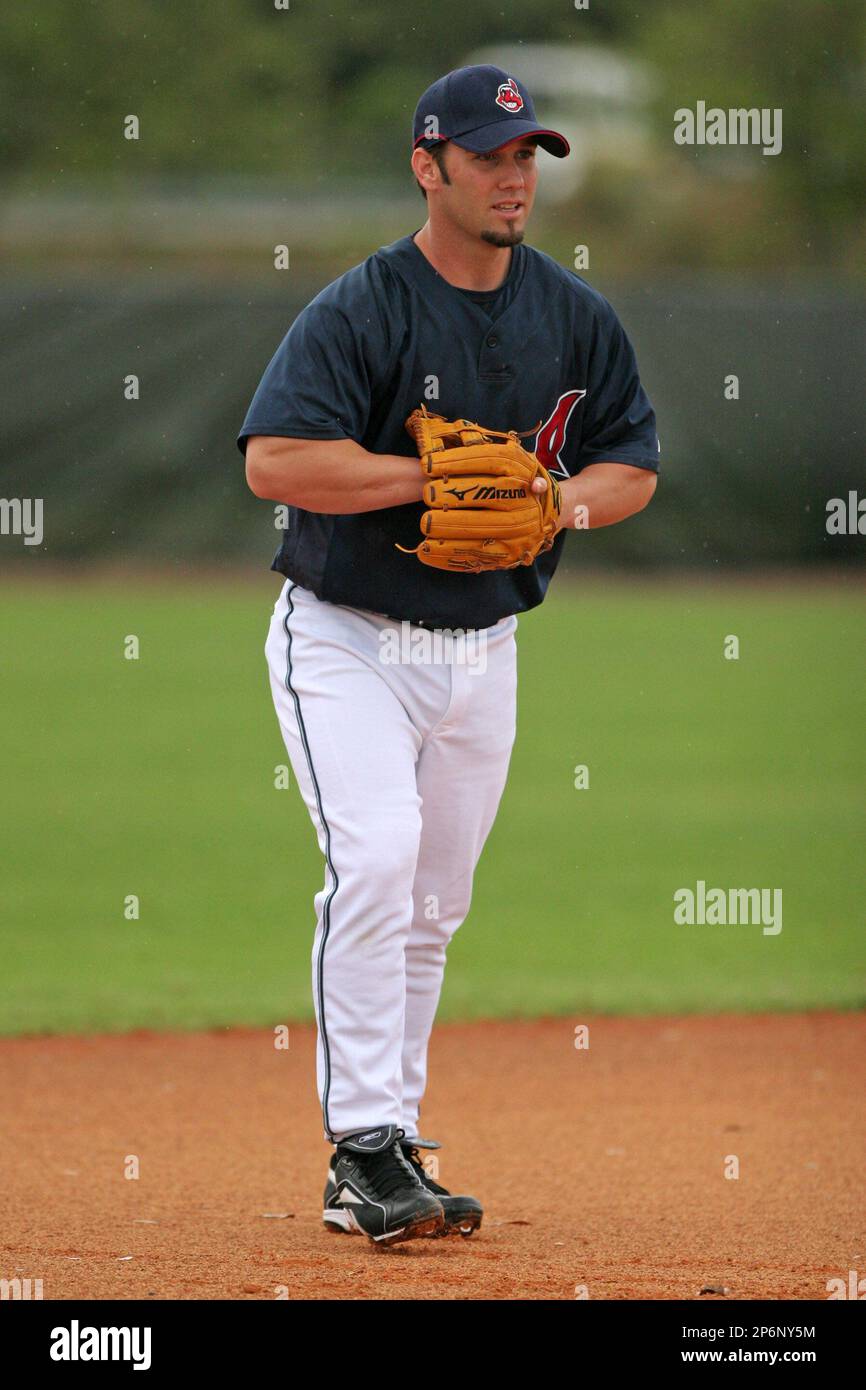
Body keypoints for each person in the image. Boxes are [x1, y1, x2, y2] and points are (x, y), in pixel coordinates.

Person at [238, 64, 659, 1247]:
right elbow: (274, 460)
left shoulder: (573, 314)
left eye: (526, 157)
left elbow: (630, 462)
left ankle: (393, 1147)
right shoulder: (361, 308)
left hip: (482, 645)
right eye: (487, 156)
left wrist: (554, 505)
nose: (512, 176)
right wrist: (433, 476)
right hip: (346, 635)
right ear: (427, 167)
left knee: (434, 900)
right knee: (374, 861)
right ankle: (357, 1147)